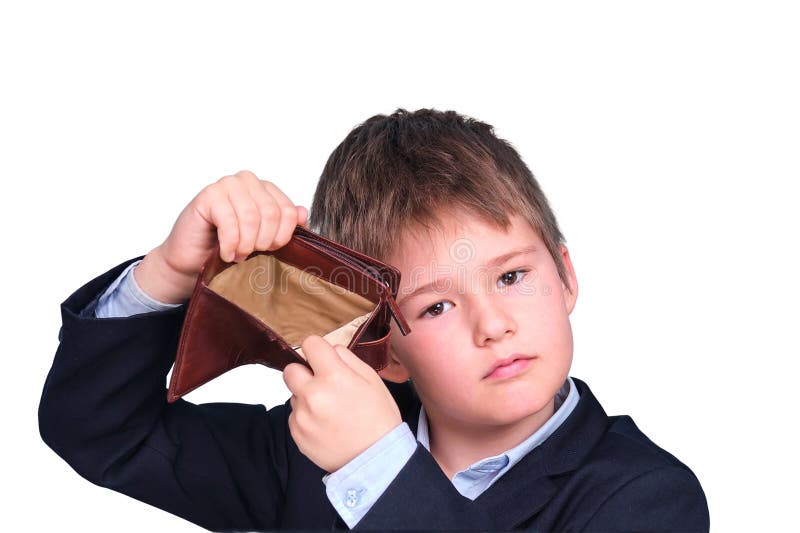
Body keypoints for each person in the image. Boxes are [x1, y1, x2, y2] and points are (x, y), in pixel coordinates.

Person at [39, 108, 709, 531]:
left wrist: (382, 467)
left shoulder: (648, 497)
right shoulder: (303, 456)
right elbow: (102, 432)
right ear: (384, 353)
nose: (494, 323)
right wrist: (170, 272)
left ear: (565, 275)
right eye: (437, 305)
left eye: (511, 276)